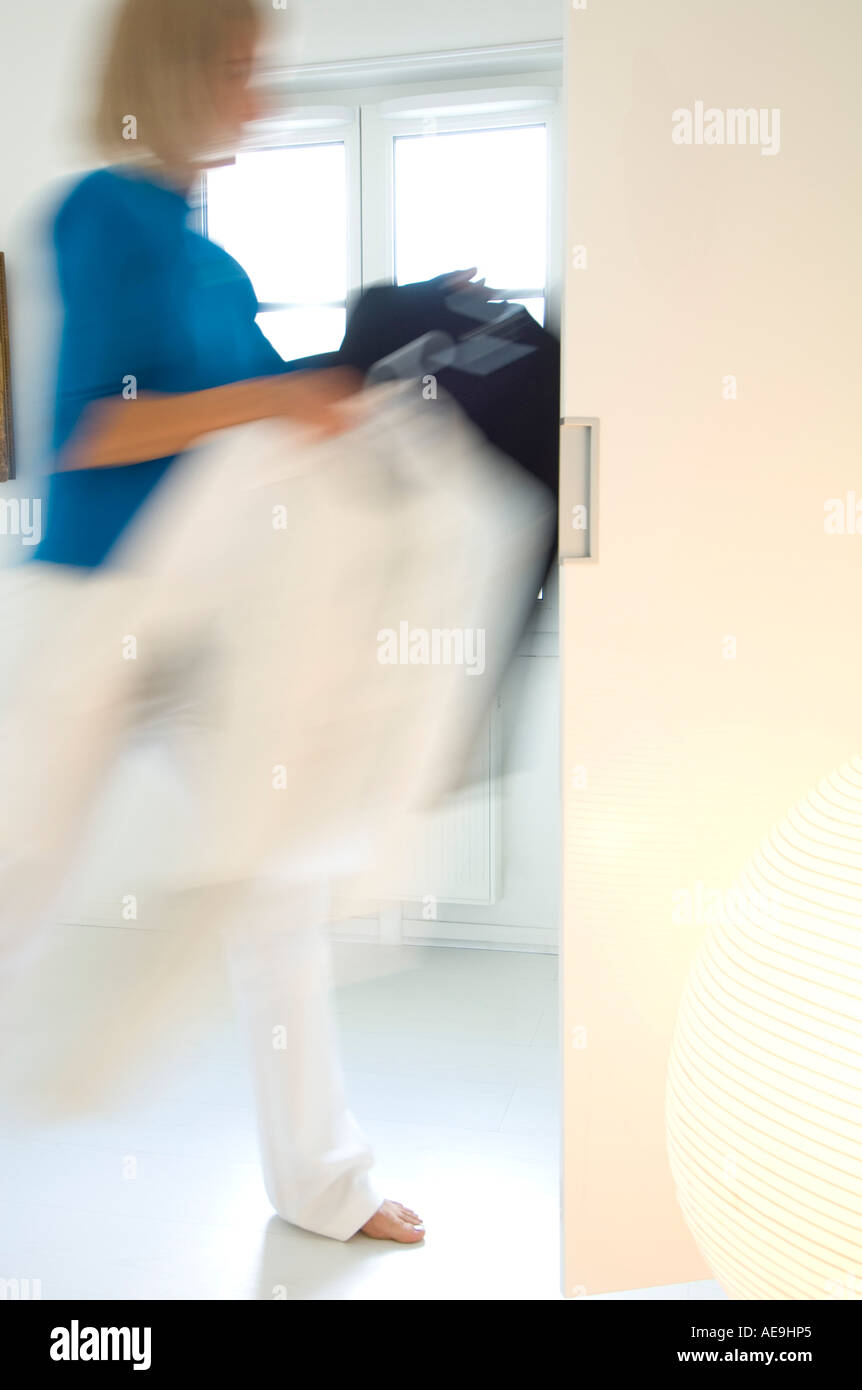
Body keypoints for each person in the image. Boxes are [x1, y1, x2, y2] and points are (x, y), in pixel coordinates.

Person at [4, 0, 425, 1245]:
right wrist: (282, 400)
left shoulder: (210, 254)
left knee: (274, 879)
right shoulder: (101, 213)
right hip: (100, 600)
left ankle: (325, 1184)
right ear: (178, 71)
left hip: (214, 616)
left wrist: (351, 392)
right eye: (242, 67)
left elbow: (268, 422)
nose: (261, 93)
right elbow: (97, 427)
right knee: (16, 874)